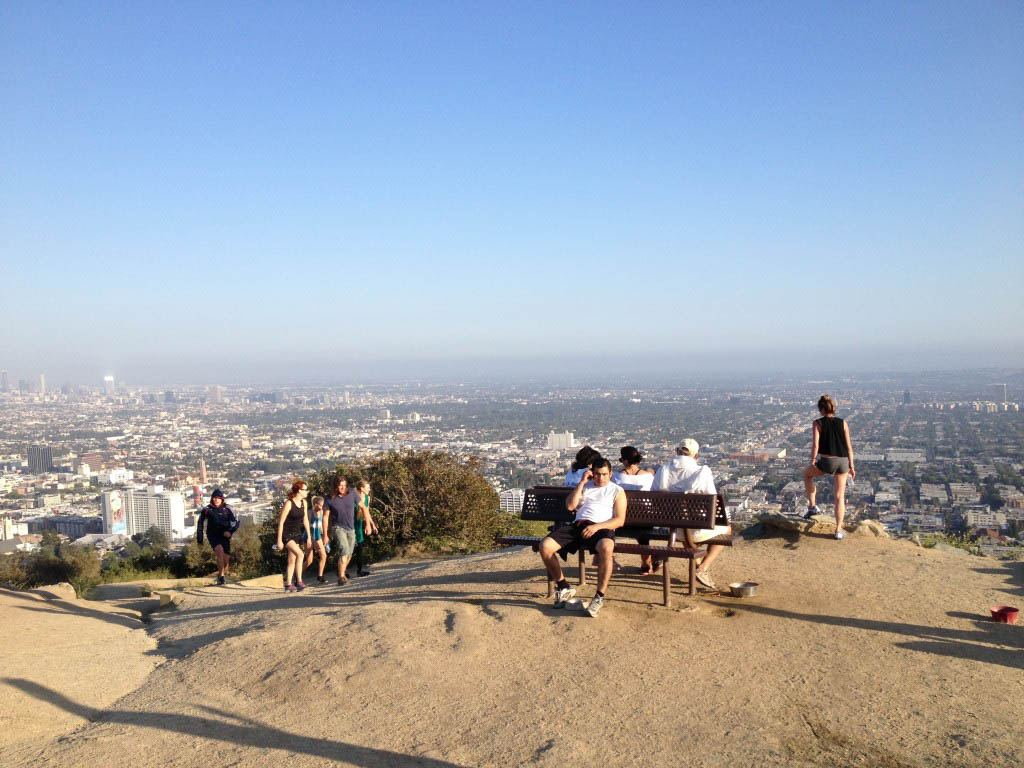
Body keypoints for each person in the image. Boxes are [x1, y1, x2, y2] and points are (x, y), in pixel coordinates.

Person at [539, 458, 626, 618]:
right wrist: (581, 483)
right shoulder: (585, 487)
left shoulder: (617, 491)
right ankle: (563, 585)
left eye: (604, 475)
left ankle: (599, 596)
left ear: (611, 474)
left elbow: (620, 520)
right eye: (598, 474)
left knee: (607, 548)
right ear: (592, 473)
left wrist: (596, 527)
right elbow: (570, 506)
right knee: (545, 546)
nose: (600, 478)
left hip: (601, 527)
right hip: (577, 526)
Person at [652, 438, 731, 590]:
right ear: (696, 456)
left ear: (676, 451)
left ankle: (699, 566)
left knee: (683, 525)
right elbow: (712, 502)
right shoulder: (702, 472)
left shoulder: (663, 470)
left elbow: (654, 498)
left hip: (672, 529)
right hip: (693, 527)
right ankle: (703, 568)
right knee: (726, 529)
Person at [802, 395, 856, 540]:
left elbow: (815, 445)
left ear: (821, 410)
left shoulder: (817, 423)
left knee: (807, 475)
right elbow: (849, 447)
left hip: (827, 461)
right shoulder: (843, 422)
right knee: (839, 496)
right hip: (843, 461)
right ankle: (838, 530)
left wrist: (813, 460)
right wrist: (852, 465)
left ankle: (813, 507)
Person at [611, 446, 658, 575]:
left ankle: (611, 558)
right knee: (643, 536)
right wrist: (651, 473)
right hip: (644, 519)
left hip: (622, 519)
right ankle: (645, 564)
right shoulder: (648, 476)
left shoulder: (616, 477)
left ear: (624, 461)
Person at [196, 489, 239, 585]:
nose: (216, 500)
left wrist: (230, 531)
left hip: (225, 535)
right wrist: (200, 539)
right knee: (219, 552)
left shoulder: (228, 509)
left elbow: (236, 521)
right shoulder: (207, 510)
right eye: (214, 498)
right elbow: (200, 524)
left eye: (218, 498)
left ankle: (223, 575)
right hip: (213, 535)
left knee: (226, 559)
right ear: (212, 499)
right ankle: (221, 577)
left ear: (222, 499)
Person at [276, 480, 311, 592]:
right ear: (299, 490)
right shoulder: (289, 503)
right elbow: (281, 522)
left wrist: (309, 536)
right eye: (305, 490)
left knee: (292, 559)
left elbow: (305, 519)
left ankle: (288, 584)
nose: (307, 492)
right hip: (286, 534)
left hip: (297, 533)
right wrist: (279, 541)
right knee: (300, 554)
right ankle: (299, 582)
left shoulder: (304, 503)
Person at [325, 477, 358, 585]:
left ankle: (340, 570)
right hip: (337, 527)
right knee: (344, 550)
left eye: (344, 485)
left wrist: (368, 523)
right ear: (335, 486)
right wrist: (325, 534)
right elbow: (325, 517)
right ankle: (341, 577)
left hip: (351, 528)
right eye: (340, 485)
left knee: (349, 554)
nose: (342, 487)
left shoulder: (352, 493)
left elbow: (363, 507)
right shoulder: (329, 498)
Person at [351, 479, 378, 577]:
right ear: (362, 488)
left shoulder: (367, 498)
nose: (369, 489)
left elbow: (367, 512)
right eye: (368, 487)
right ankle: (342, 571)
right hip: (350, 525)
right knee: (349, 549)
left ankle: (359, 570)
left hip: (359, 525)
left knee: (359, 548)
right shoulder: (353, 497)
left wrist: (372, 524)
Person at [303, 495, 330, 584]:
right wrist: (310, 539)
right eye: (320, 505)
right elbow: (307, 527)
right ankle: (297, 576)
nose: (322, 507)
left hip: (317, 535)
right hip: (308, 536)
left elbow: (322, 525)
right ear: (315, 504)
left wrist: (325, 536)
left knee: (323, 555)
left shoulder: (322, 512)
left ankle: (320, 576)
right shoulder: (309, 513)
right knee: (309, 560)